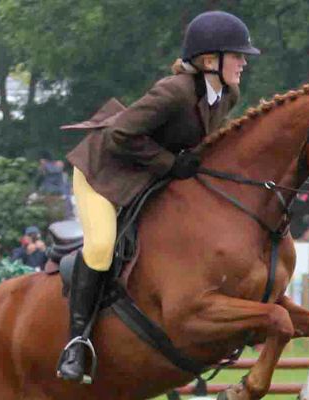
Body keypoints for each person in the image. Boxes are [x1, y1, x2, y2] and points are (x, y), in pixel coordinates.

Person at [56, 10, 259, 381]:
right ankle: (76, 344)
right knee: (102, 246)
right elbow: (120, 136)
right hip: (104, 174)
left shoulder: (227, 94)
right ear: (210, 60)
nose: (244, 61)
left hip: (146, 174)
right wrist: (169, 164)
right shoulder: (173, 91)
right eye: (238, 54)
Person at [37, 151, 73, 221]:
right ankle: (68, 214)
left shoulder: (45, 166)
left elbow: (39, 179)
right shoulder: (58, 165)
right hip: (61, 190)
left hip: (49, 190)